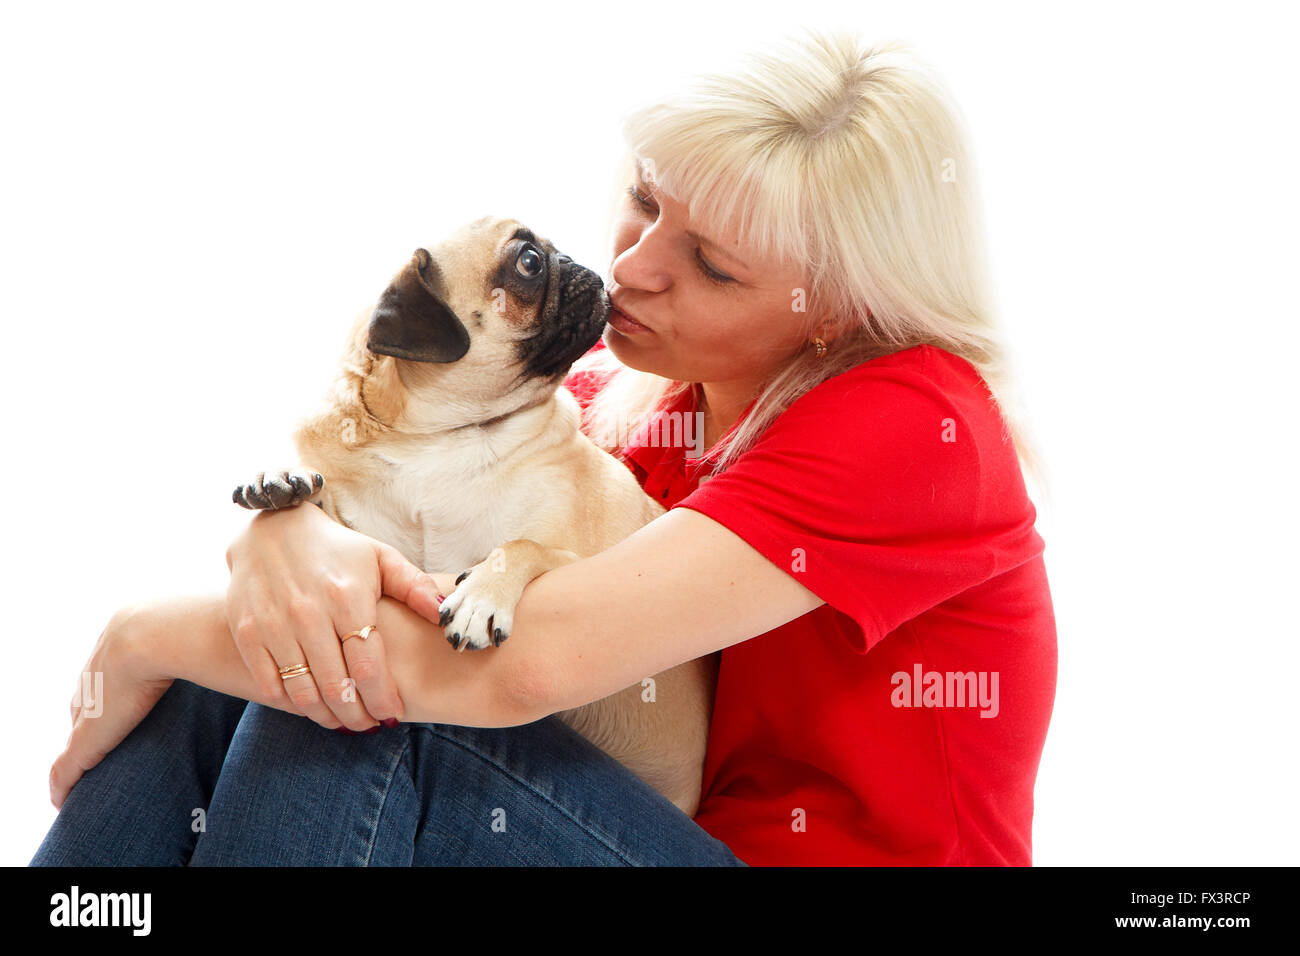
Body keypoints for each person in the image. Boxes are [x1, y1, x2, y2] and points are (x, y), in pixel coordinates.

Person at [32, 29, 1056, 867]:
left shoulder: (915, 423)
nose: (633, 268)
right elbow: (376, 505)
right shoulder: (625, 412)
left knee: (341, 699)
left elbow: (520, 669)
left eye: (710, 264)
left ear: (832, 310)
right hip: (647, 834)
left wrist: (141, 635)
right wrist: (284, 537)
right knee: (255, 676)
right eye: (646, 201)